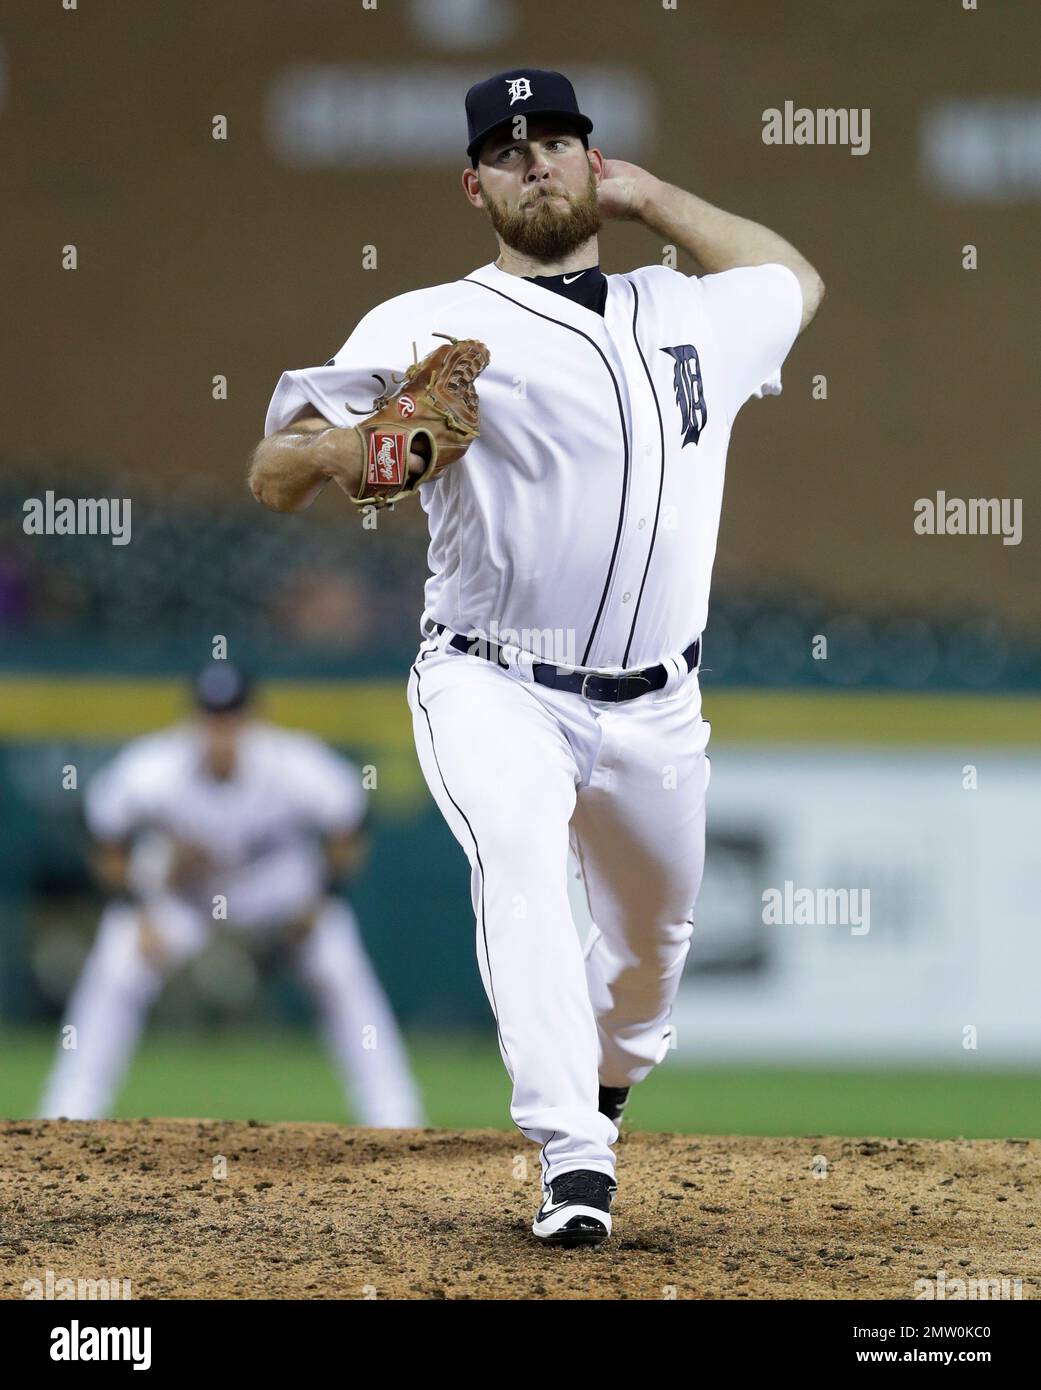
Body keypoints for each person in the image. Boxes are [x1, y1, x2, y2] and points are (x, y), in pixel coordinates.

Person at [250, 67, 823, 1246]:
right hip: (491, 677)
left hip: (660, 704)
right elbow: (277, 471)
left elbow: (796, 279)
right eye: (509, 152)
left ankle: (607, 1090)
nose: (536, 162)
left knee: (653, 953)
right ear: (477, 186)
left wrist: (661, 201)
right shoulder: (422, 323)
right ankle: (575, 1158)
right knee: (518, 855)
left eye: (556, 141)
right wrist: (357, 447)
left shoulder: (690, 311)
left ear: (591, 163)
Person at [39, 661, 425, 1129]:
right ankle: (65, 1119)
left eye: (231, 715)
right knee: (119, 961)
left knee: (339, 966)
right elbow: (103, 829)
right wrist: (134, 908)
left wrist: (323, 897)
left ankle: (396, 1121)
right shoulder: (157, 766)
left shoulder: (290, 762)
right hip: (184, 895)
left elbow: (352, 819)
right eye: (210, 715)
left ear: (252, 717)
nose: (220, 728)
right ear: (194, 718)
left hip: (273, 887)